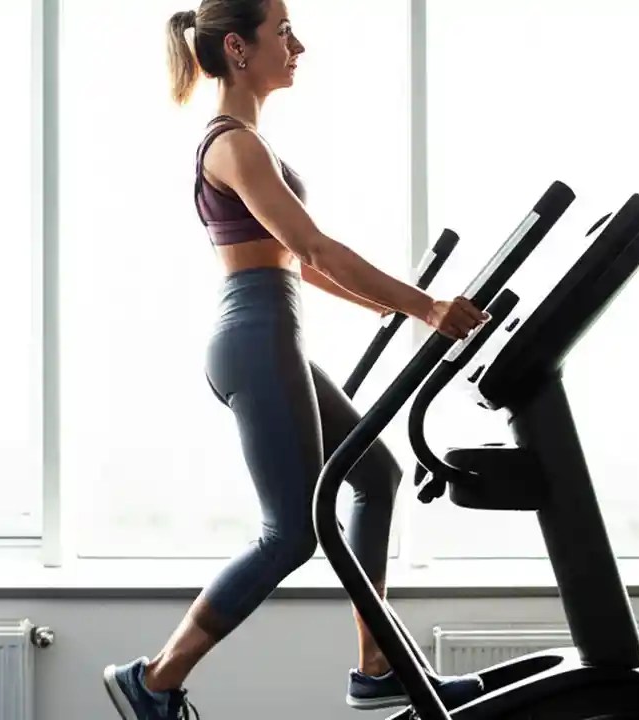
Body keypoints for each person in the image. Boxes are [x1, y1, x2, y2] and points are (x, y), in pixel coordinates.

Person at [102, 1, 488, 718]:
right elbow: (314, 248)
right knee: (292, 534)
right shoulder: (235, 144)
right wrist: (424, 305)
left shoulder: (246, 142)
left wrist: (378, 301)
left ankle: (377, 667)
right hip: (257, 336)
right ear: (240, 50)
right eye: (284, 33)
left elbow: (298, 263)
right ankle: (153, 678)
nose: (299, 46)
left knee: (376, 474)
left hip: (267, 328)